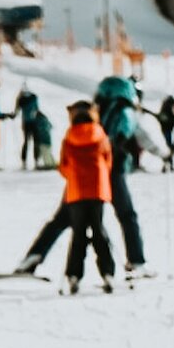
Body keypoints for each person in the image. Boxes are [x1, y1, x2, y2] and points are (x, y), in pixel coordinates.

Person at [58, 101, 116, 294]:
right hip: (98, 188)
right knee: (99, 230)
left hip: (76, 190)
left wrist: (73, 175)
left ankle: (74, 274)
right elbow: (108, 161)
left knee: (78, 233)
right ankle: (108, 272)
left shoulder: (69, 137)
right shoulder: (100, 134)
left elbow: (63, 166)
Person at [95, 75, 150, 274]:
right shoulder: (125, 111)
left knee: (74, 216)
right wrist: (164, 154)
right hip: (114, 169)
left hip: (92, 168)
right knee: (128, 216)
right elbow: (140, 135)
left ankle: (36, 256)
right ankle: (136, 260)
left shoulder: (100, 108)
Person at [14, 86, 42, 170]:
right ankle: (36, 162)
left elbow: (16, 112)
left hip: (26, 123)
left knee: (26, 142)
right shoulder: (34, 97)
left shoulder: (20, 100)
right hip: (34, 122)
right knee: (36, 141)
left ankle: (24, 163)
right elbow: (37, 109)